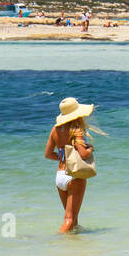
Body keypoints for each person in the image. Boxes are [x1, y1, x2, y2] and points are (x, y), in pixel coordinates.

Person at [45, 97, 102, 234]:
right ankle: (56, 243)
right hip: (74, 177)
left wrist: (64, 157)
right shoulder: (76, 130)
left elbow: (48, 154)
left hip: (59, 177)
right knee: (69, 219)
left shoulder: (55, 129)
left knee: (73, 220)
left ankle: (72, 249)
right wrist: (90, 149)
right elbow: (82, 154)